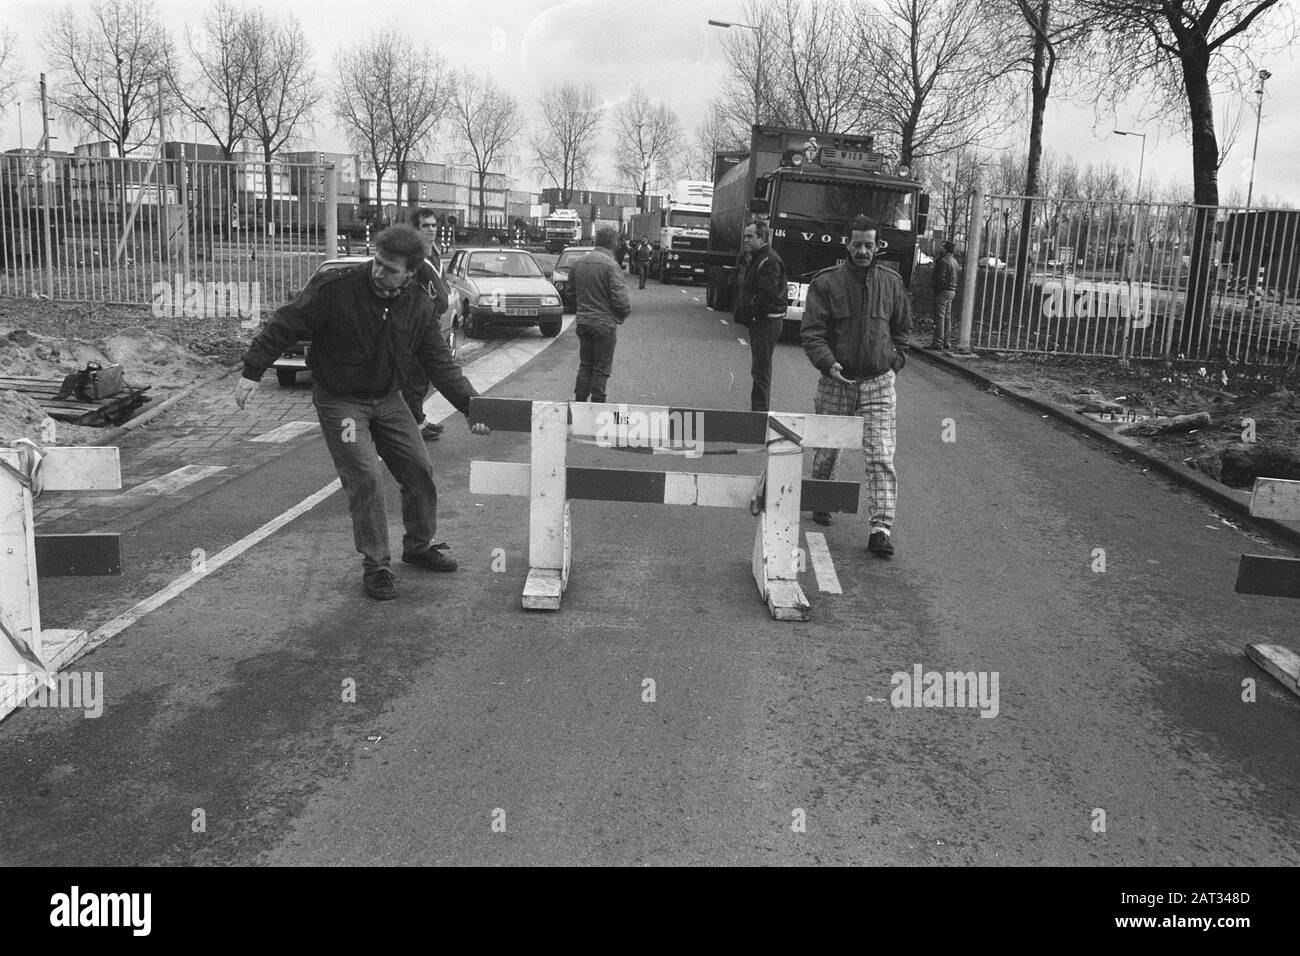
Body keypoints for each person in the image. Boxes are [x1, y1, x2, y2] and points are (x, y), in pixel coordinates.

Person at [235, 224, 490, 601]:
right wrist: (252, 371)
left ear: (410, 272)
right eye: (377, 262)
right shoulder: (337, 289)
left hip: (388, 398)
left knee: (419, 468)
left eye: (390, 268)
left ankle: (419, 546)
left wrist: (472, 407)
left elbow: (440, 362)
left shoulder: (418, 305)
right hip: (342, 401)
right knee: (366, 476)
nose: (378, 271)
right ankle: (377, 567)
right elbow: (285, 323)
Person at [800, 215, 910, 557]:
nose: (863, 251)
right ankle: (821, 501)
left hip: (878, 383)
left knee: (880, 456)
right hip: (837, 382)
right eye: (857, 244)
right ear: (846, 244)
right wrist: (827, 362)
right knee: (827, 453)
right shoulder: (826, 283)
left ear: (879, 246)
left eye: (869, 245)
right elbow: (812, 332)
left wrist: (894, 363)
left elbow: (903, 332)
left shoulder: (892, 283)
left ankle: (880, 528)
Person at [404, 207, 452, 440]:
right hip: (417, 325)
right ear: (415, 228)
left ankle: (418, 418)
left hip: (434, 322)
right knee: (415, 375)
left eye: (434, 225)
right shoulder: (412, 257)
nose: (431, 230)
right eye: (426, 226)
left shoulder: (434, 253)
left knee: (423, 375)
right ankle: (413, 424)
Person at [733, 219, 788, 412]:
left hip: (767, 322)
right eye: (745, 236)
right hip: (762, 321)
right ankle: (758, 413)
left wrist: (751, 312)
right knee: (759, 369)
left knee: (761, 371)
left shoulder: (769, 260)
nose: (745, 240)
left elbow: (767, 295)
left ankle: (759, 416)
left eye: (750, 236)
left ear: (762, 237)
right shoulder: (758, 257)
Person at [572, 226, 631, 404]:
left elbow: (569, 293)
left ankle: (580, 402)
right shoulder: (611, 266)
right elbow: (621, 300)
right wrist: (621, 315)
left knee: (585, 365)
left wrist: (583, 306)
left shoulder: (579, 263)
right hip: (604, 324)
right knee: (601, 368)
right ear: (613, 243)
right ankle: (598, 406)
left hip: (583, 322)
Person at [928, 240, 959, 350]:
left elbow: (940, 278)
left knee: (939, 318)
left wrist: (936, 289)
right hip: (952, 291)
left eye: (942, 247)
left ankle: (937, 342)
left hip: (943, 291)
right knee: (947, 317)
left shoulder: (943, 261)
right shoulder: (954, 261)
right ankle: (947, 342)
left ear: (946, 249)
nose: (940, 248)